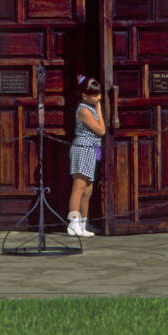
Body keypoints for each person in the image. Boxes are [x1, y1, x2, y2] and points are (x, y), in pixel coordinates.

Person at [67, 75, 105, 237]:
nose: (99, 98)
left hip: (93, 148)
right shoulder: (83, 110)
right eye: (95, 95)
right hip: (83, 148)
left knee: (88, 188)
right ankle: (73, 223)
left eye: (99, 94)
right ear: (84, 96)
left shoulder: (91, 107)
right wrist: (99, 111)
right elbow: (101, 130)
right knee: (79, 186)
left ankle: (83, 223)